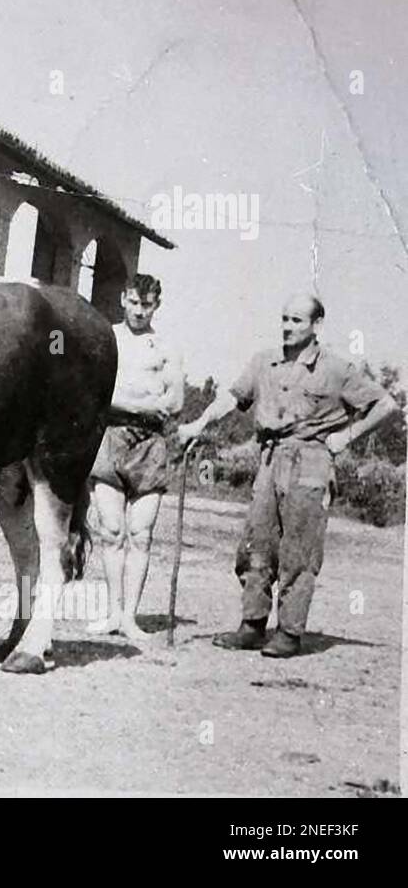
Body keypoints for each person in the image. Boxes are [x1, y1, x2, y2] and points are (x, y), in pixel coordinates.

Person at [177, 293, 396, 657]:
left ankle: (290, 632)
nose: (288, 326)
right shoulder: (265, 361)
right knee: (256, 542)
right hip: (268, 457)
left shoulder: (336, 368)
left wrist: (348, 436)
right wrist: (199, 423)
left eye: (296, 321)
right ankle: (252, 625)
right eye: (284, 319)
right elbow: (233, 396)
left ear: (316, 326)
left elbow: (385, 404)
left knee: (299, 548)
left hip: (310, 460)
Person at [87, 274, 184, 641]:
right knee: (111, 531)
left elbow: (174, 402)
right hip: (110, 438)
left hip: (150, 446)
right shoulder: (106, 338)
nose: (139, 311)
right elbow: (96, 393)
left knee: (141, 534)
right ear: (122, 300)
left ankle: (130, 618)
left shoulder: (165, 346)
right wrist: (139, 405)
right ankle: (112, 613)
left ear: (156, 305)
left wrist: (139, 407)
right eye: (133, 302)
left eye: (147, 305)